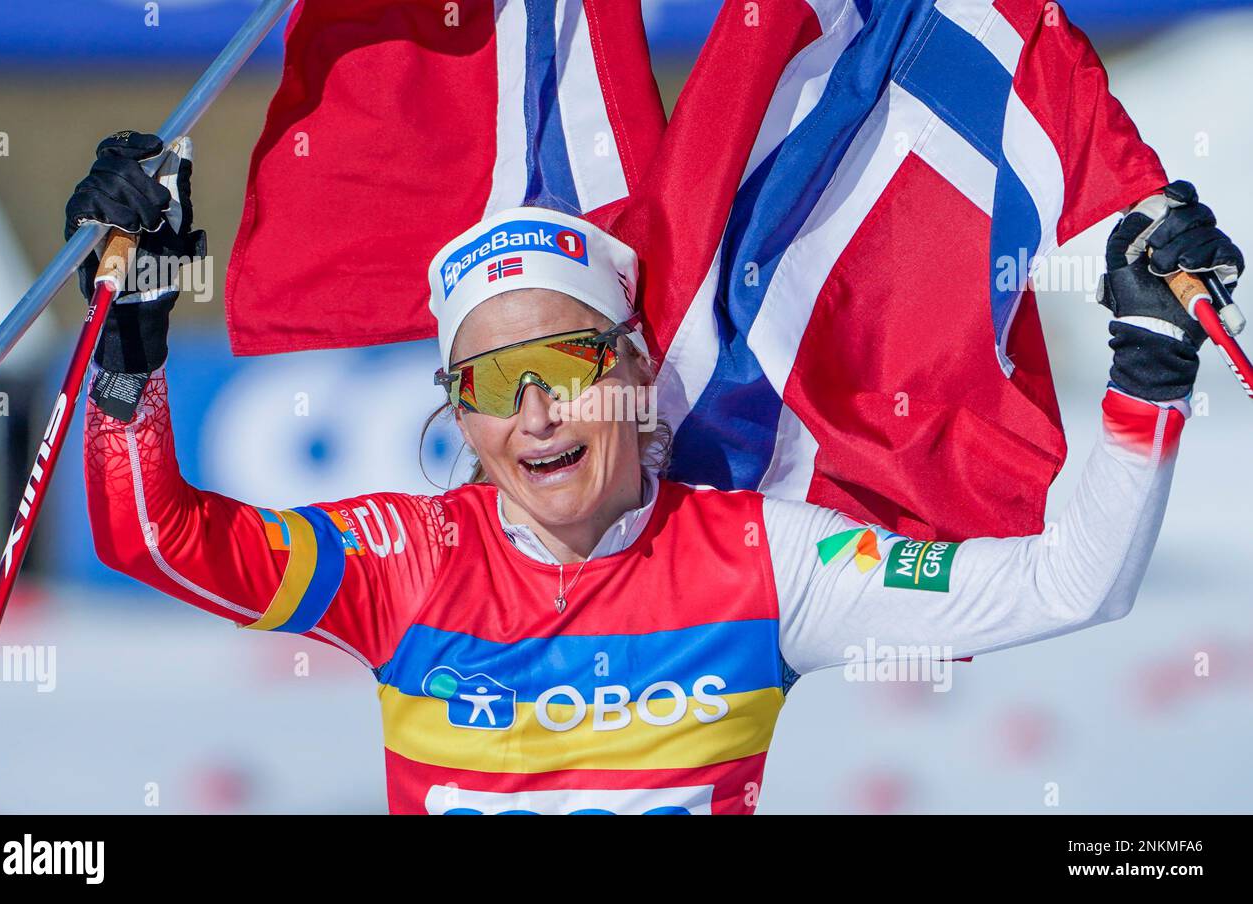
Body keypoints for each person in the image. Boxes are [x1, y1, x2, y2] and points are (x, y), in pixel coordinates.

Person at [74, 131, 1241, 815]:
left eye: (562, 365)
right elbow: (156, 540)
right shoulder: (409, 559)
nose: (532, 414)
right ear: (458, 412)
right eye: (487, 381)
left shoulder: (766, 559)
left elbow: (1072, 584)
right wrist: (130, 336)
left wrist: (1146, 371)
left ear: (632, 368)